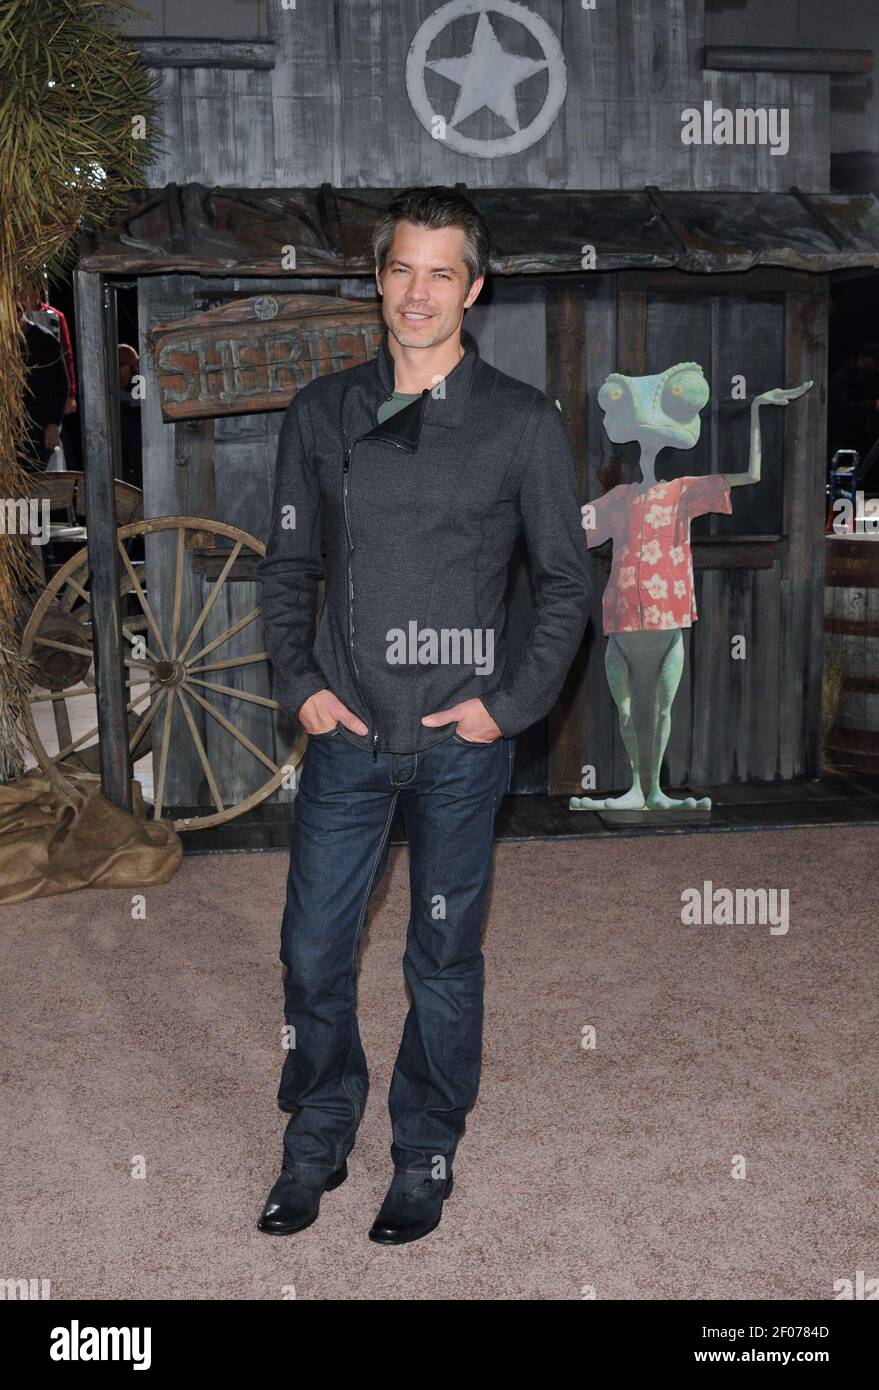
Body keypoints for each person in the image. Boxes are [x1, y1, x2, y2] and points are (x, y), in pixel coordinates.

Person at [256, 185, 591, 1244]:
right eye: (401, 267)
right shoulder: (323, 413)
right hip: (347, 737)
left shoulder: (522, 422)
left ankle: (427, 1146)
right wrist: (300, 682)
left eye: (441, 271)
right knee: (312, 950)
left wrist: (507, 706)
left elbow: (567, 585)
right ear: (377, 278)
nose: (418, 289)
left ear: (473, 288)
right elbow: (287, 565)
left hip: (460, 747)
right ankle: (315, 1138)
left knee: (440, 959)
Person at [16, 293, 69, 471]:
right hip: (14, 426)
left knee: (33, 479)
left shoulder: (44, 340)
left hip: (38, 425)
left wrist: (54, 423)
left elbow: (61, 384)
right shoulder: (8, 342)